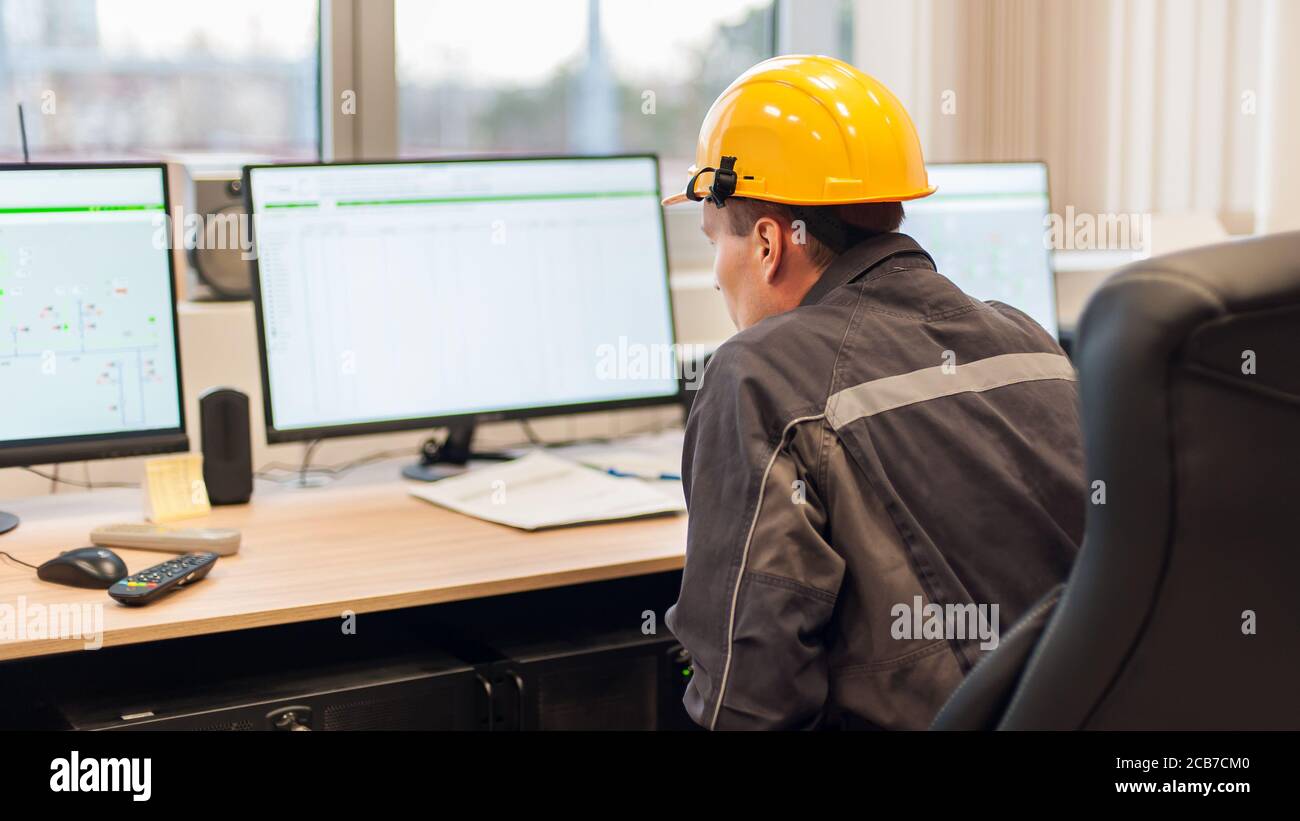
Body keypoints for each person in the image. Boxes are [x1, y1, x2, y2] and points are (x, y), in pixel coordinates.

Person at [662, 55, 1085, 730]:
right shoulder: (1029, 340)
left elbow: (745, 704)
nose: (715, 276)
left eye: (716, 241)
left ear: (769, 243)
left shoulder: (756, 379)